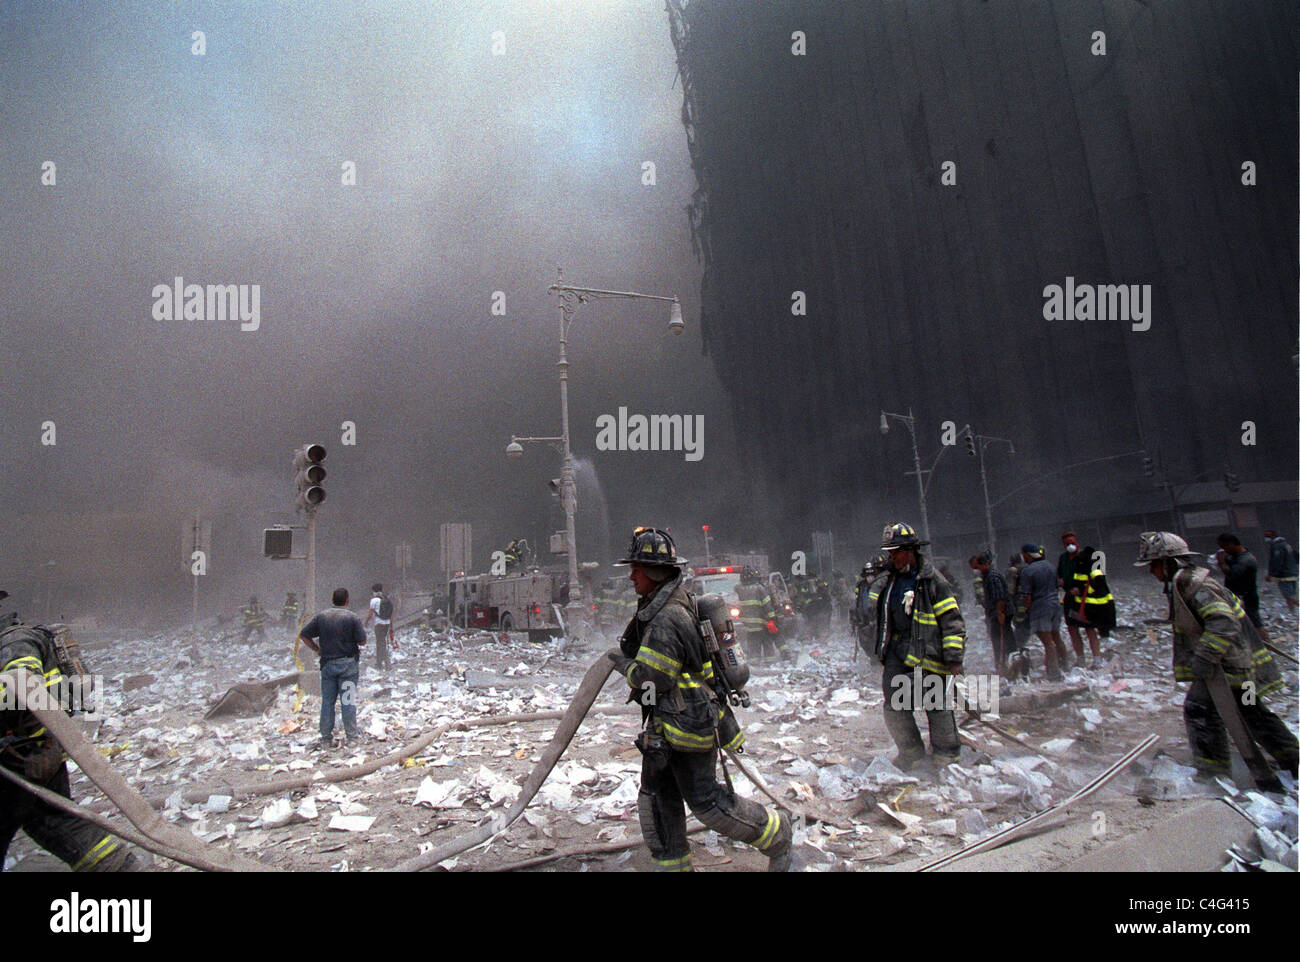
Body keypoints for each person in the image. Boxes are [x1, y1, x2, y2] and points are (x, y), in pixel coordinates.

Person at [605, 527, 793, 872]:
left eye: (636, 568)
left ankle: (778, 835)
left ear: (655, 572)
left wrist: (625, 666)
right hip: (668, 723)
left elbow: (653, 677)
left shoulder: (666, 617)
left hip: (687, 725)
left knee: (709, 804)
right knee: (660, 803)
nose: (630, 575)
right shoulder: (665, 605)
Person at [1136, 532, 1296, 780]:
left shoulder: (1195, 586)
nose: (1151, 572)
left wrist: (1203, 659)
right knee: (1252, 711)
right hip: (1238, 665)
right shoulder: (1186, 583)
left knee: (1199, 708)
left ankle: (1213, 773)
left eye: (1154, 565)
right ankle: (1292, 759)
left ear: (1170, 562)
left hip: (1231, 669)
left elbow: (1223, 623)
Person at [1, 623, 137, 871]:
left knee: (51, 819)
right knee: (54, 819)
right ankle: (117, 866)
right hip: (39, 751)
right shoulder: (19, 638)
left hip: (20, 758)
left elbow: (21, 690)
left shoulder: (13, 644)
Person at [862, 523, 966, 770]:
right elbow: (872, 611)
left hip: (926, 651)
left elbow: (952, 620)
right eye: (890, 553)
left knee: (935, 704)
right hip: (896, 651)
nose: (892, 557)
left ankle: (945, 756)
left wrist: (954, 658)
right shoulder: (888, 579)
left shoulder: (931, 580)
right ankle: (911, 753)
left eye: (896, 552)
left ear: (911, 550)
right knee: (894, 706)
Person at [298, 588, 367, 748]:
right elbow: (362, 642)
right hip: (348, 667)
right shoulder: (353, 618)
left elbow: (304, 635)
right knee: (348, 701)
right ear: (347, 600)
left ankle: (326, 739)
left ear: (332, 599)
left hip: (328, 665)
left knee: (327, 702)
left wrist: (317, 649)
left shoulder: (322, 616)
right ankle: (351, 737)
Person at [1018, 544, 1069, 681]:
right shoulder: (1050, 566)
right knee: (1056, 637)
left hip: (1040, 607)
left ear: (1027, 554)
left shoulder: (1027, 572)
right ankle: (1066, 666)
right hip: (1055, 605)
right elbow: (1057, 587)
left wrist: (1028, 612)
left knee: (1047, 642)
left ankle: (1054, 673)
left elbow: (1027, 596)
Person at [1215, 534, 1270, 644]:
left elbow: (1232, 574)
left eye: (1224, 547)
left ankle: (1267, 644)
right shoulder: (1236, 557)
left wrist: (1222, 562)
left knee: (1255, 622)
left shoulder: (1246, 560)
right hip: (1238, 595)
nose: (1224, 550)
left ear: (1231, 544)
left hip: (1246, 596)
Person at [970, 551, 1016, 675]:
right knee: (1001, 639)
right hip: (996, 613)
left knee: (1002, 640)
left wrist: (1000, 613)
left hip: (1001, 613)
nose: (977, 569)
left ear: (985, 564)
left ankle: (1006, 666)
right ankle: (1006, 665)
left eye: (977, 566)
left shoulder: (993, 576)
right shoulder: (987, 575)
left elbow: (999, 597)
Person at [1074, 546, 1115, 666]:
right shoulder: (1089, 565)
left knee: (1095, 630)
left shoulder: (1092, 568)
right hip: (1097, 605)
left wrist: (1080, 591)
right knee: (1099, 631)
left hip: (1096, 606)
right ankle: (1104, 654)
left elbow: (1095, 585)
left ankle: (1103, 657)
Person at [1057, 532, 1090, 666]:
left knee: (1089, 628)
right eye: (1067, 544)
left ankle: (1097, 657)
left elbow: (1092, 577)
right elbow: (1060, 574)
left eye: (1073, 543)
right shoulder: (1063, 558)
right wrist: (1061, 581)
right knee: (1072, 628)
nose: (1071, 546)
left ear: (1077, 543)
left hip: (1085, 598)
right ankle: (1080, 657)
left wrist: (1080, 589)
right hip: (1070, 598)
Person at [735, 566, 781, 661]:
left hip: (749, 626)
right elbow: (767, 605)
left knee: (753, 646)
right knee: (767, 643)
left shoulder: (739, 589)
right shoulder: (759, 588)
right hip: (762, 623)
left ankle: (754, 663)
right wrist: (772, 618)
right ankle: (770, 663)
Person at [1262, 530, 1298, 610]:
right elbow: (1297, 557)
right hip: (1293, 573)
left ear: (1272, 536)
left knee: (1288, 595)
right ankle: (1292, 611)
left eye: (1267, 536)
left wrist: (1271, 575)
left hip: (1284, 575)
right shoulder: (1286, 544)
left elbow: (1277, 562)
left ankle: (1295, 608)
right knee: (1290, 595)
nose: (1266, 538)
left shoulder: (1277, 546)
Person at [364, 583, 396, 670]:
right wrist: (391, 627)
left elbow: (370, 614)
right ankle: (379, 663)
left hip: (379, 624)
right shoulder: (387, 599)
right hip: (387, 624)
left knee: (381, 643)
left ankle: (387, 663)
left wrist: (365, 623)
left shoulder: (374, 601)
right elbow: (391, 614)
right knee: (381, 643)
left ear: (374, 591)